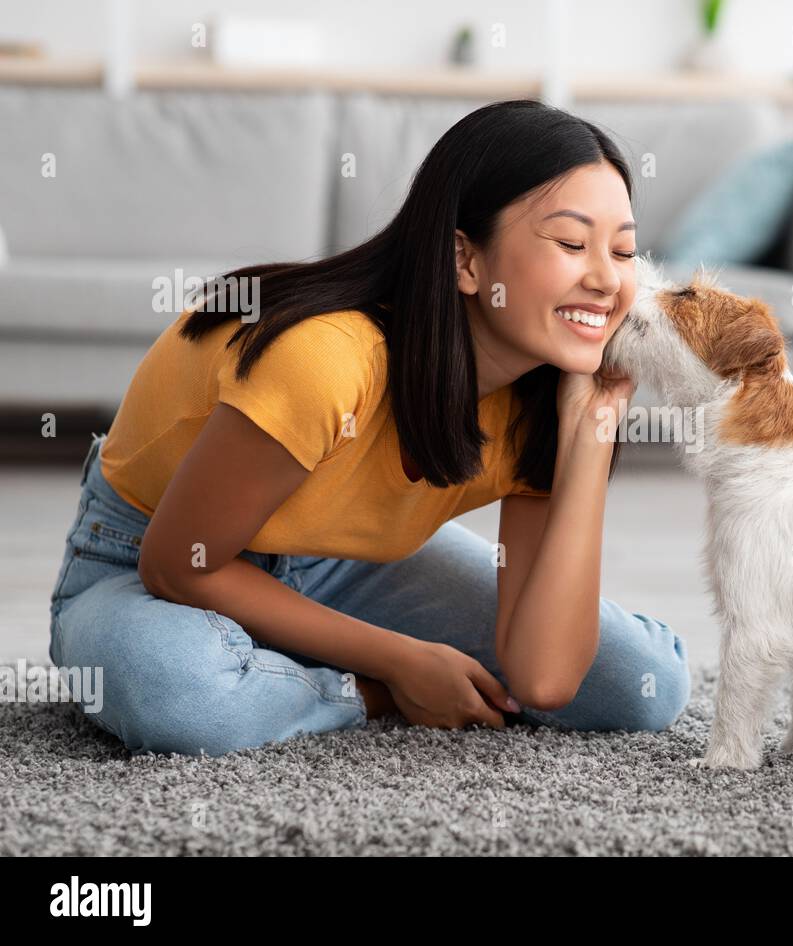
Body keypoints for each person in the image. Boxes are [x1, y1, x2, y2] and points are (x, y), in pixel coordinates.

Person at [47, 99, 691, 757]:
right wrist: (397, 667)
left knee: (641, 687)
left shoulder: (548, 395)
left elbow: (543, 677)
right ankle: (342, 690)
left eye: (623, 251)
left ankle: (274, 674)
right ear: (466, 261)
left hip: (338, 565)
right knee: (184, 696)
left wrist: (591, 437)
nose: (606, 280)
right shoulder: (323, 361)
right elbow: (178, 566)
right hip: (147, 557)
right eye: (572, 243)